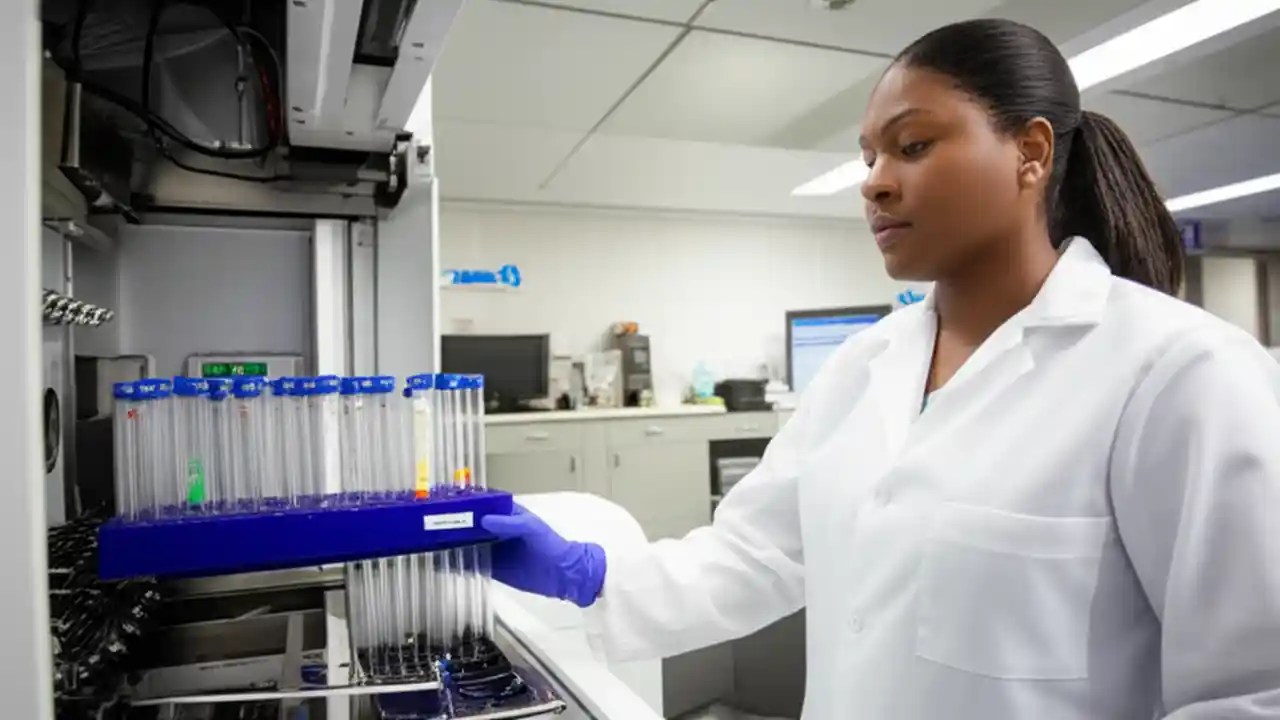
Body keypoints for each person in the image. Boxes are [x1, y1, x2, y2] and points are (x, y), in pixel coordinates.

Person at [482, 18, 1280, 719]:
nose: (874, 181)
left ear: (1030, 152)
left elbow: (1253, 690)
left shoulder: (1178, 373)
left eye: (914, 145)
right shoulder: (868, 366)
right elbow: (761, 553)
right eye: (868, 156)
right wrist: (587, 575)